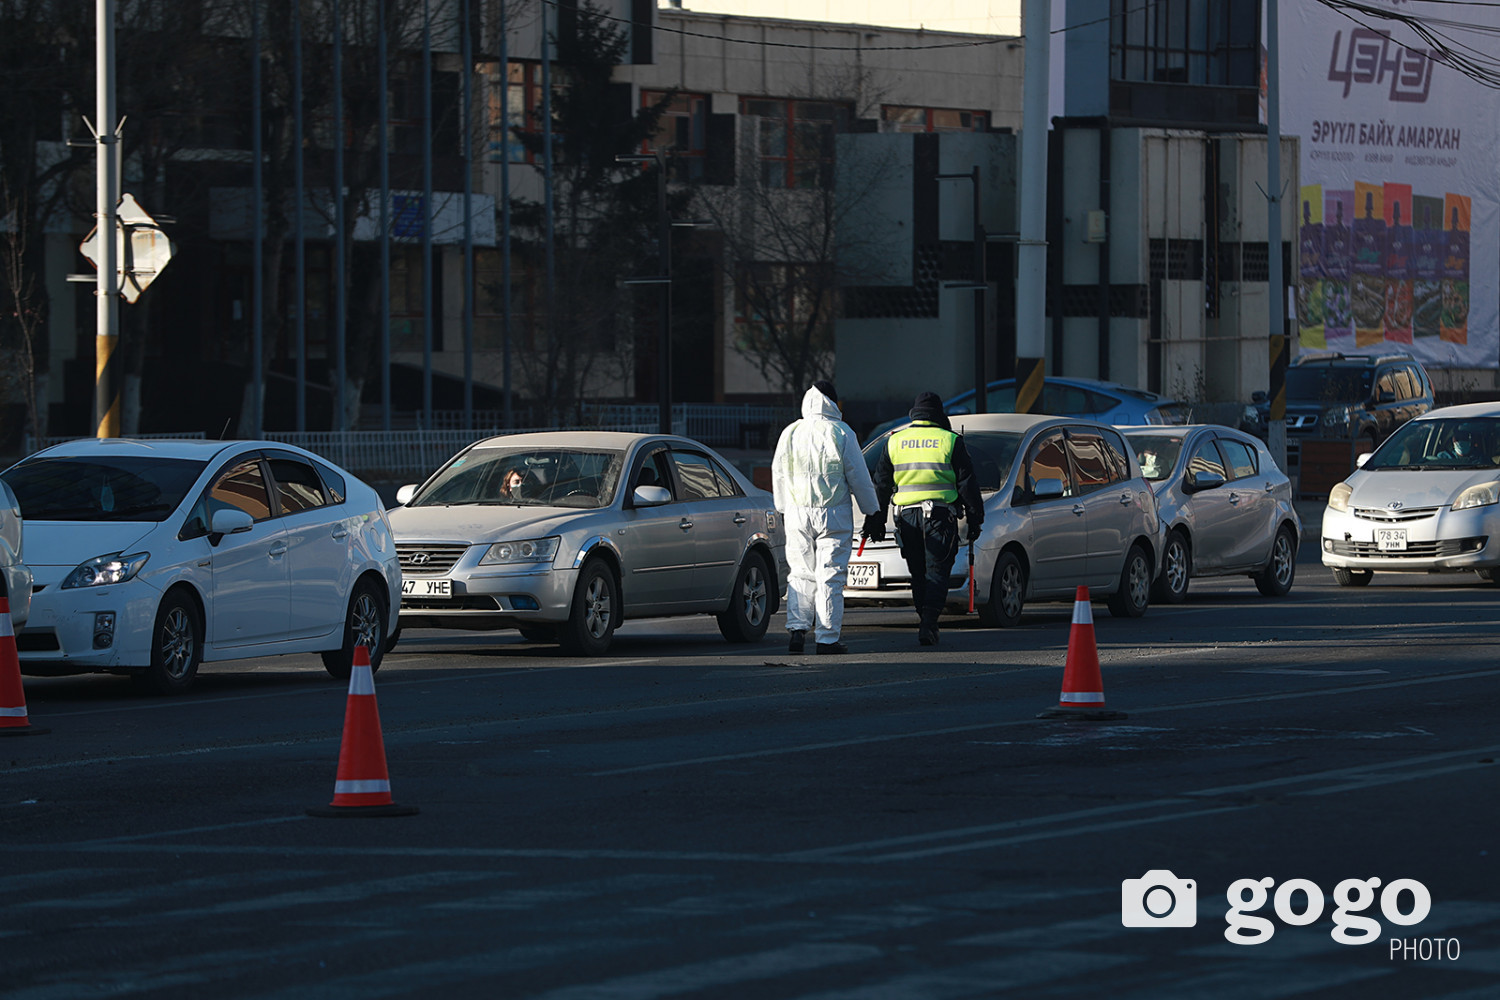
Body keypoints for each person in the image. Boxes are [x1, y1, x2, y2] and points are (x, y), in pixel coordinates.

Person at [771, 380, 881, 655]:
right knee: (830, 576)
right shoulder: (841, 432)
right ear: (832, 402)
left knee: (800, 573)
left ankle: (797, 630)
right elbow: (858, 475)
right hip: (833, 513)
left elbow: (779, 472)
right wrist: (872, 510)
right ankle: (827, 638)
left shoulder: (791, 432)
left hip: (797, 512)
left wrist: (783, 507)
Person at [869, 391, 984, 646]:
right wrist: (975, 518)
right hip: (939, 517)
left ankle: (926, 620)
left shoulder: (895, 440)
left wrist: (876, 520)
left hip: (906, 518)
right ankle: (929, 623)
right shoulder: (950, 440)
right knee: (938, 572)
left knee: (918, 573)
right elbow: (967, 484)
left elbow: (881, 485)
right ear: (938, 414)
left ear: (915, 414)